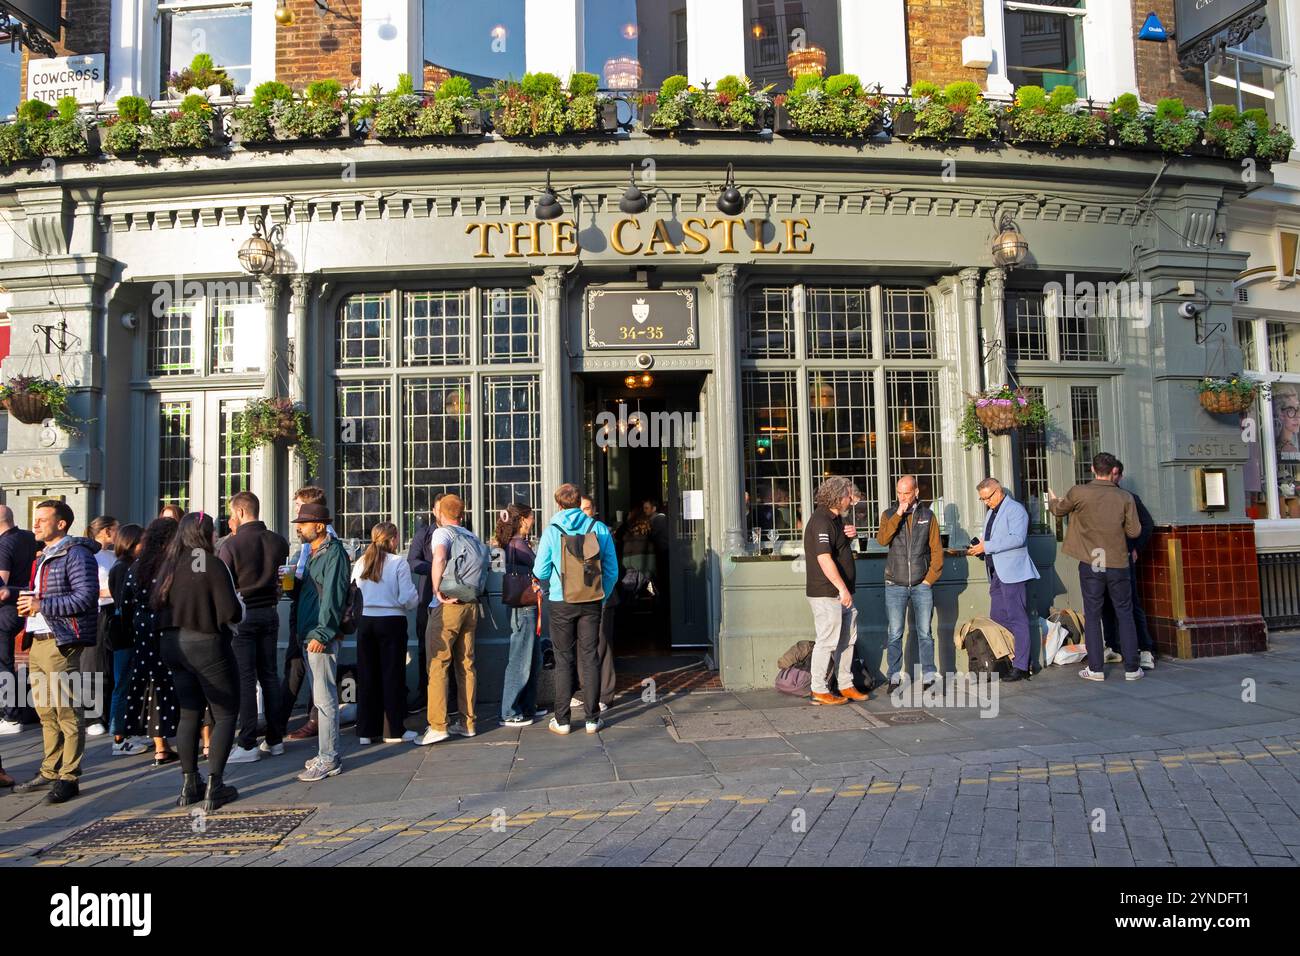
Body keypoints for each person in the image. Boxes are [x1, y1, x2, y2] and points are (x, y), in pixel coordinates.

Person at [152, 512, 243, 810]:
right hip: (205, 643)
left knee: (189, 712)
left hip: (172, 644)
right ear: (205, 534)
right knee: (226, 712)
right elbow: (230, 611)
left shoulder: (169, 565)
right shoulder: (208, 563)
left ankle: (189, 782)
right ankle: (215, 784)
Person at [11, 501, 100, 804]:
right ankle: (50, 769)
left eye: (42, 520)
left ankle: (69, 776)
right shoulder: (45, 556)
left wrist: (40, 605)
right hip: (37, 639)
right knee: (45, 710)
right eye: (34, 519)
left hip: (60, 640)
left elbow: (85, 598)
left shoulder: (76, 554)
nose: (35, 525)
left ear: (61, 524)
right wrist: (18, 596)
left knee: (67, 711)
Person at [1048, 451, 1143, 682]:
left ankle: (1096, 669)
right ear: (1113, 471)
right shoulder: (1125, 497)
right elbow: (1134, 532)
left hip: (1092, 563)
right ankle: (1132, 668)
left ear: (1092, 469)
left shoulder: (1079, 492)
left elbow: (1058, 510)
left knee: (1092, 615)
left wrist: (1052, 500)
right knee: (1125, 613)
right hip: (1118, 563)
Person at [533, 483, 618, 735]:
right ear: (579, 502)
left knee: (563, 659)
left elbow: (540, 571)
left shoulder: (552, 530)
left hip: (561, 602)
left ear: (559, 504)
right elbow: (612, 570)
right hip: (591, 600)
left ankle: (562, 720)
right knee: (590, 657)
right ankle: (593, 718)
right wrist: (602, 597)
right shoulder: (598, 528)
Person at [218, 491, 290, 763]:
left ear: (240, 512)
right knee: (269, 674)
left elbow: (224, 584)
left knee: (246, 678)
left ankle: (247, 742)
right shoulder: (278, 541)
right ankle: (275, 738)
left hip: (244, 613)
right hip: (270, 612)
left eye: (232, 513)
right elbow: (283, 577)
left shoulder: (231, 546)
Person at [415, 494, 485, 745]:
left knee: (438, 663)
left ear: (439, 513)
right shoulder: (472, 536)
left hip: (448, 607)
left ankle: (437, 725)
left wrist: (437, 591)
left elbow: (440, 557)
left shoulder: (442, 533)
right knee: (466, 664)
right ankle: (468, 722)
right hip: (471, 604)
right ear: (462, 514)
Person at [292, 500, 350, 780]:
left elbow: (333, 597)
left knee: (325, 698)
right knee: (320, 697)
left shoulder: (334, 553)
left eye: (303, 524)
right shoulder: (313, 552)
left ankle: (329, 757)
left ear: (320, 525)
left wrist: (323, 633)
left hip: (319, 635)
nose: (299, 528)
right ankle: (324, 752)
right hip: (309, 633)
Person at [804, 477, 869, 706]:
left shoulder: (835, 520)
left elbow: (837, 550)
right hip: (827, 592)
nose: (851, 501)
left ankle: (845, 683)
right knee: (827, 641)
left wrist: (848, 536)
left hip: (841, 593)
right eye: (848, 496)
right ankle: (819, 689)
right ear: (837, 496)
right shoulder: (821, 520)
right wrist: (842, 588)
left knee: (847, 640)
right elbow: (824, 558)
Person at [352, 522, 418, 744]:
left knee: (367, 675)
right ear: (393, 539)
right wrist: (410, 603)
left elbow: (354, 593)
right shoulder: (398, 562)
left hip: (365, 621)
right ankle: (393, 729)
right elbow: (408, 597)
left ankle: (366, 731)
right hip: (391, 620)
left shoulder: (361, 562)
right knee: (392, 675)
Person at [122, 518, 181, 766]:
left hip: (143, 628)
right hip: (169, 626)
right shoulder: (174, 565)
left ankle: (160, 747)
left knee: (153, 686)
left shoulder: (137, 566)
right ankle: (203, 739)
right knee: (177, 682)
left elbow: (125, 603)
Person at [968, 479, 1040, 682]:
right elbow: (991, 538)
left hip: (1013, 572)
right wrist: (980, 547)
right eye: (982, 499)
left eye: (987, 497)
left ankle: (1023, 665)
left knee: (1017, 618)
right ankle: (1008, 661)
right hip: (996, 572)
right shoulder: (993, 511)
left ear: (998, 491)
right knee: (998, 618)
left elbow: (1017, 538)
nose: (985, 502)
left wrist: (987, 547)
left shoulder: (1015, 510)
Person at [877, 475, 943, 690]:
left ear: (916, 492)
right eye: (899, 493)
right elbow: (882, 539)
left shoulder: (928, 516)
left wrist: (928, 580)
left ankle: (929, 676)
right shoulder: (888, 514)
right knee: (895, 632)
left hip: (920, 584)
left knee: (925, 632)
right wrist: (897, 514)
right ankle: (894, 677)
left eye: (906, 493)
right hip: (894, 583)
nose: (902, 497)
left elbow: (936, 550)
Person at [280, 486, 331, 742]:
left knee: (316, 676)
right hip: (300, 608)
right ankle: (281, 720)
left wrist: (323, 630)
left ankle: (321, 735)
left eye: (299, 507)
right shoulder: (306, 544)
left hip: (315, 616)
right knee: (297, 665)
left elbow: (330, 590)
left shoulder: (326, 545)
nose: (296, 517)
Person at [1101, 459, 1157, 671]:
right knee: (1105, 605)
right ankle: (1112, 646)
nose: (1113, 478)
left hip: (1124, 558)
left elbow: (1147, 524)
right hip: (1101, 559)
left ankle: (1145, 649)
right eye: (1111, 474)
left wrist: (1136, 549)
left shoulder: (1130, 498)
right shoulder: (1098, 498)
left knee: (1132, 603)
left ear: (1120, 476)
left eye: (1116, 474)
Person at [498, 504, 544, 727]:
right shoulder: (518, 544)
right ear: (523, 519)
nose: (534, 520)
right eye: (532, 517)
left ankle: (527, 706)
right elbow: (539, 566)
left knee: (532, 659)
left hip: (527, 606)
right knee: (520, 661)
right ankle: (509, 711)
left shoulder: (518, 543)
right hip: (523, 608)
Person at [104, 523, 148, 754]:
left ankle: (128, 731)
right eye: (142, 541)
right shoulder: (123, 568)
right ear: (132, 543)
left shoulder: (128, 565)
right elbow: (125, 604)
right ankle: (119, 738)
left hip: (127, 634)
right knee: (122, 685)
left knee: (129, 684)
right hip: (125, 635)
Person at [0, 504, 39, 735]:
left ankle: (10, 716)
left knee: (3, 665)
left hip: (4, 613)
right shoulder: (27, 536)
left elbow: (1, 587)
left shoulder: (3, 544)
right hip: (21, 610)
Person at [406, 496, 445, 713]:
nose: (441, 513)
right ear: (433, 511)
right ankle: (425, 692)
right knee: (424, 647)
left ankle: (451, 697)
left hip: (452, 596)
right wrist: (435, 567)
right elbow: (413, 561)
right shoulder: (424, 534)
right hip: (427, 597)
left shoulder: (458, 532)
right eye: (438, 509)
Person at [82, 515, 119, 737]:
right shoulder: (89, 556)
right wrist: (110, 592)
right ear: (105, 531)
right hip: (96, 612)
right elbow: (86, 588)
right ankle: (91, 716)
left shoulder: (113, 555)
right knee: (92, 664)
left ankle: (107, 712)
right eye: (116, 529)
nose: (118, 532)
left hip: (113, 612)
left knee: (109, 663)